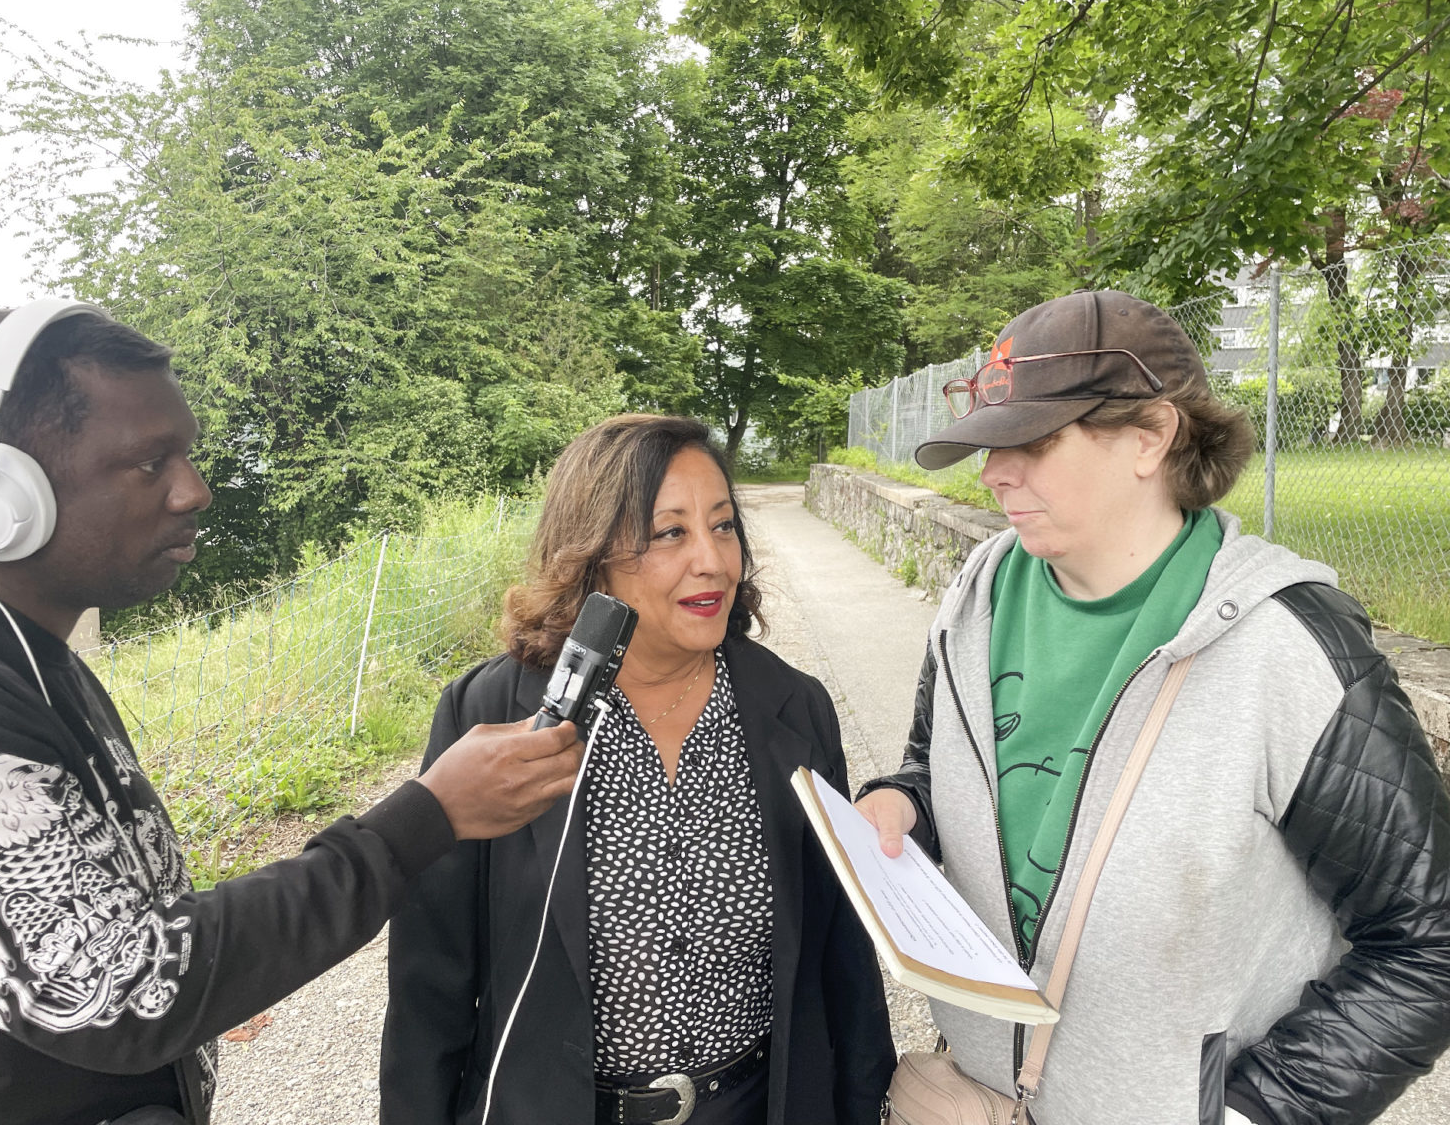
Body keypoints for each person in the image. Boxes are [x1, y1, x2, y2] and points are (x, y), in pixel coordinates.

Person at [0, 304, 583, 1125]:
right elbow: (124, 985)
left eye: (186, 453)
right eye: (149, 461)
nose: (194, 489)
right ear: (1, 495)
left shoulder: (27, 658)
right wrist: (426, 819)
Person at [856, 289, 1450, 1125]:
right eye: (988, 445)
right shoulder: (977, 592)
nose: (993, 473)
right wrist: (903, 803)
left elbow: (1426, 938)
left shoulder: (1290, 648)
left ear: (1150, 435)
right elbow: (938, 763)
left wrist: (1258, 1113)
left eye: (1031, 441)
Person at [380, 414, 895, 1125]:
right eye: (669, 533)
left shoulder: (793, 710)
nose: (712, 561)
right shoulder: (495, 711)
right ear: (591, 556)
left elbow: (843, 955)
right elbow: (429, 982)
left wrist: (865, 1103)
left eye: (722, 526)